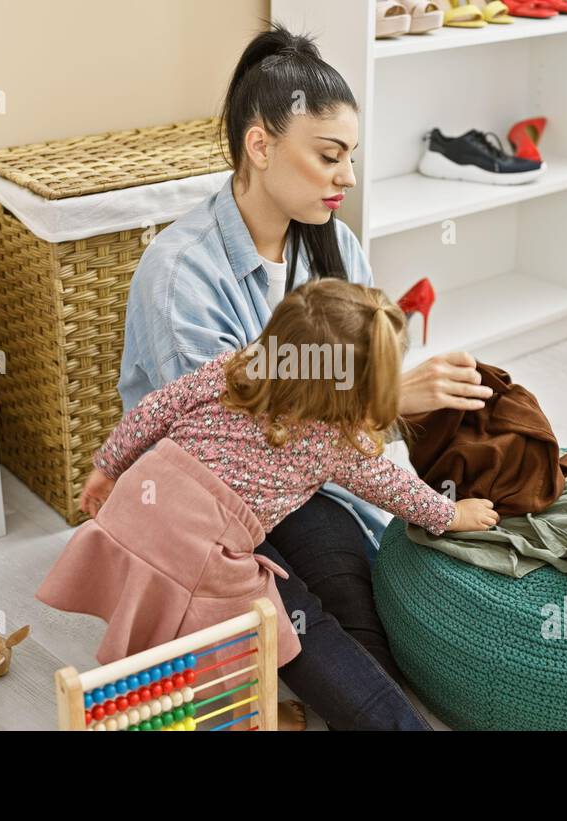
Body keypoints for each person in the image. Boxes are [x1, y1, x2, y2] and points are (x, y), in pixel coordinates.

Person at [114, 23, 493, 730]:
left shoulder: (334, 243)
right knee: (290, 613)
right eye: (329, 156)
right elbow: (225, 448)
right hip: (198, 502)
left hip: (302, 479)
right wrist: (388, 398)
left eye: (352, 156)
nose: (347, 177)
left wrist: (394, 414)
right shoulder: (180, 274)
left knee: (355, 586)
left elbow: (339, 435)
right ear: (261, 145)